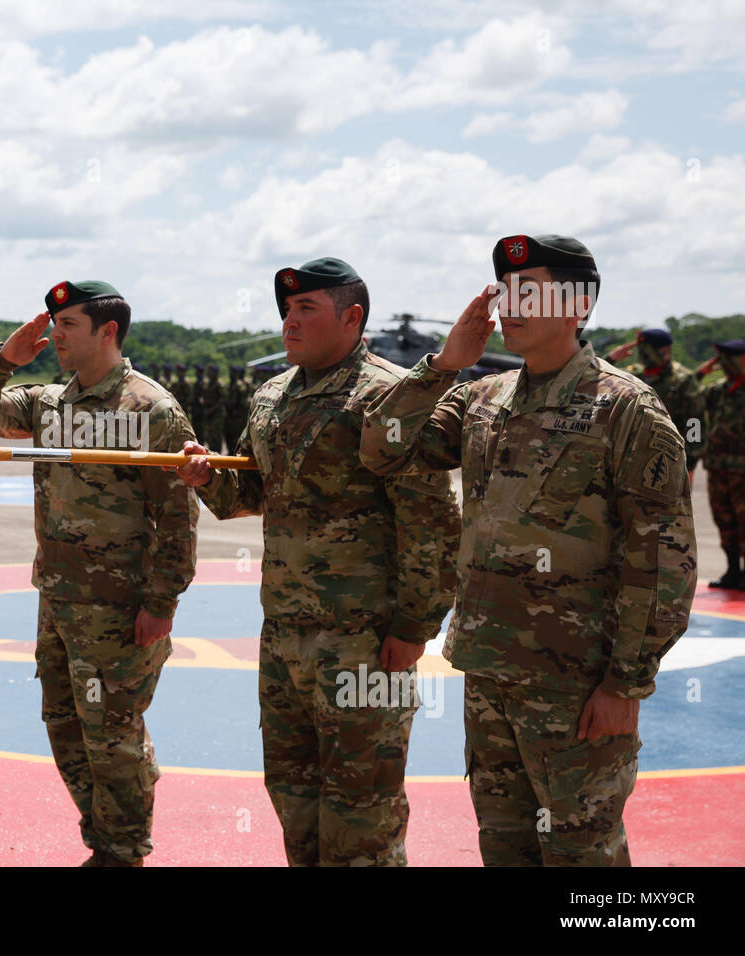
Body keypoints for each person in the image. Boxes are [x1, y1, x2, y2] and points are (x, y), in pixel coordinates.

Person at [359, 234, 696, 866]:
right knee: (506, 844)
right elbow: (383, 448)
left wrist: (627, 681)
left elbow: (662, 559)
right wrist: (441, 366)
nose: (509, 304)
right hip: (489, 670)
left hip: (577, 685)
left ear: (579, 305)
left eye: (529, 291)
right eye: (505, 289)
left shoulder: (627, 411)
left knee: (582, 850)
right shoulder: (483, 400)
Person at [175, 258, 459, 866]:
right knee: (294, 796)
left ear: (352, 318)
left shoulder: (391, 398)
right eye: (286, 310)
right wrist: (205, 476)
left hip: (364, 639)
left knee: (363, 812)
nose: (290, 322)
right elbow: (250, 495)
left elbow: (431, 523)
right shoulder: (274, 394)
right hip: (284, 636)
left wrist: (414, 628)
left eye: (307, 309)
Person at [0, 279, 198, 867]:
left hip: (120, 608)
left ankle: (125, 850)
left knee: (113, 737)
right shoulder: (49, 405)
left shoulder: (150, 409)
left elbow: (178, 517)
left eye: (68, 326)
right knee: (64, 726)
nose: (56, 336)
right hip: (59, 601)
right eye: (54, 326)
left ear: (107, 332)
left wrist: (161, 603)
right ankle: (104, 840)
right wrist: (5, 359)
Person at [606, 328, 705, 477]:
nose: (642, 354)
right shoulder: (634, 374)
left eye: (646, 350)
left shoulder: (682, 379)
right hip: (629, 456)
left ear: (664, 350)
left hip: (669, 458)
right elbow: (601, 379)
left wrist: (691, 459)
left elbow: (695, 420)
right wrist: (610, 359)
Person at [698, 339, 745, 588]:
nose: (724, 364)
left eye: (730, 357)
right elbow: (686, 394)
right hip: (718, 467)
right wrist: (701, 372)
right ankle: (733, 571)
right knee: (724, 520)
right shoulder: (717, 390)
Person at [224, 364, 250, 456]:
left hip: (237, 418)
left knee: (236, 438)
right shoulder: (230, 384)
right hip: (229, 417)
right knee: (229, 437)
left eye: (233, 372)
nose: (230, 374)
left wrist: (236, 411)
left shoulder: (239, 385)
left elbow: (243, 402)